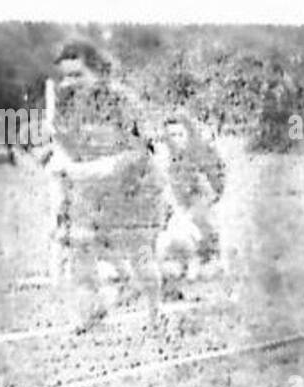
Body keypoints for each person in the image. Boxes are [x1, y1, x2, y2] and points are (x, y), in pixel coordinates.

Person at [43, 39, 168, 331]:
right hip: (93, 188)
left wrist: (82, 170)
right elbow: (64, 147)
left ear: (98, 71)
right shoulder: (67, 102)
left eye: (78, 74)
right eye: (66, 76)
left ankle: (154, 311)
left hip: (137, 188)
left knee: (139, 255)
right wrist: (60, 169)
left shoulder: (123, 101)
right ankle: (90, 310)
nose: (70, 83)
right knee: (79, 245)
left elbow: (137, 155)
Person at [154, 110, 226, 295]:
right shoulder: (167, 163)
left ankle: (201, 261)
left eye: (179, 135)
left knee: (182, 236)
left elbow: (210, 196)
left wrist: (187, 216)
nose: (175, 140)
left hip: (200, 220)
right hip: (177, 220)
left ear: (188, 134)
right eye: (170, 135)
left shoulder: (199, 160)